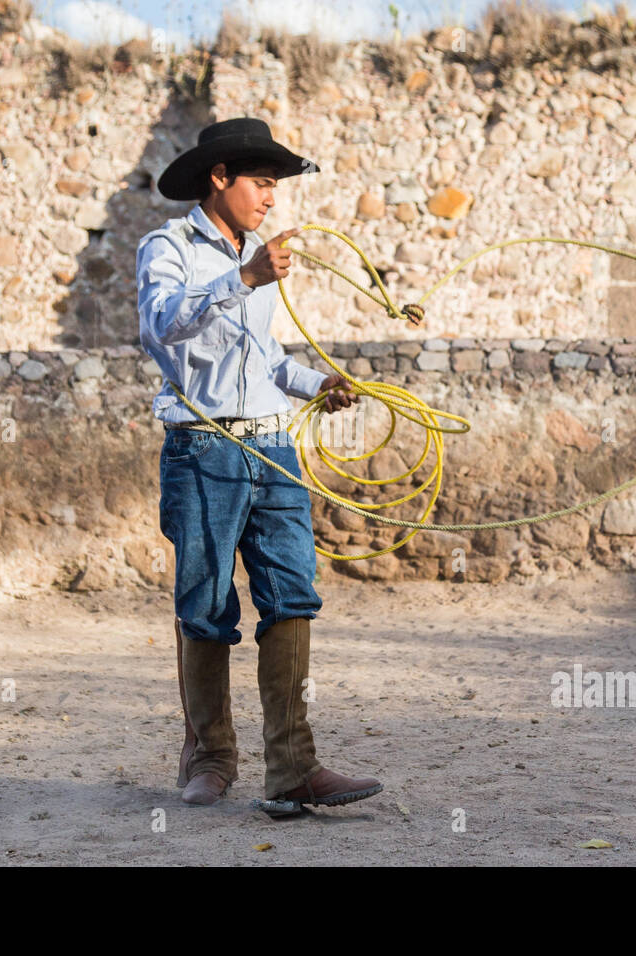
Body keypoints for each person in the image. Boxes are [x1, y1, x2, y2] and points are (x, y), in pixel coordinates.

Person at [136, 117, 384, 814]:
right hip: (204, 448)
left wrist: (316, 384)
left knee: (292, 595)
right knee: (208, 605)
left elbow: (264, 358)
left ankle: (292, 768)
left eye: (275, 187)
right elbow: (162, 325)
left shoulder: (260, 258)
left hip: (273, 446)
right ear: (220, 178)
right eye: (262, 184)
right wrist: (242, 277)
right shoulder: (170, 248)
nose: (272, 199)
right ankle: (210, 756)